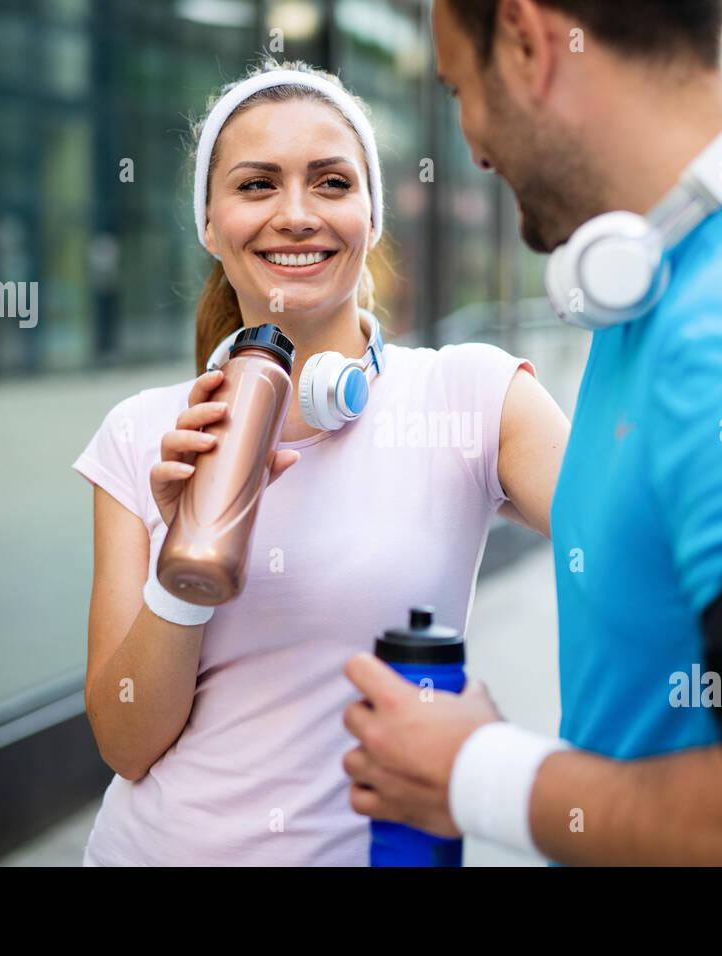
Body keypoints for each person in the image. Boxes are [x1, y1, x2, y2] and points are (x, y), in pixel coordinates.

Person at [342, 0, 722, 866]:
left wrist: (474, 772)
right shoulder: (660, 285)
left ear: (527, 42)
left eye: (458, 87)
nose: (472, 142)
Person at [71, 58, 570, 865]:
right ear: (209, 223)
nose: (296, 215)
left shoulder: (471, 394)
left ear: (372, 218)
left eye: (332, 183)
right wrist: (185, 560)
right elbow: (127, 746)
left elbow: (635, 536)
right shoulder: (141, 433)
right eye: (257, 185)